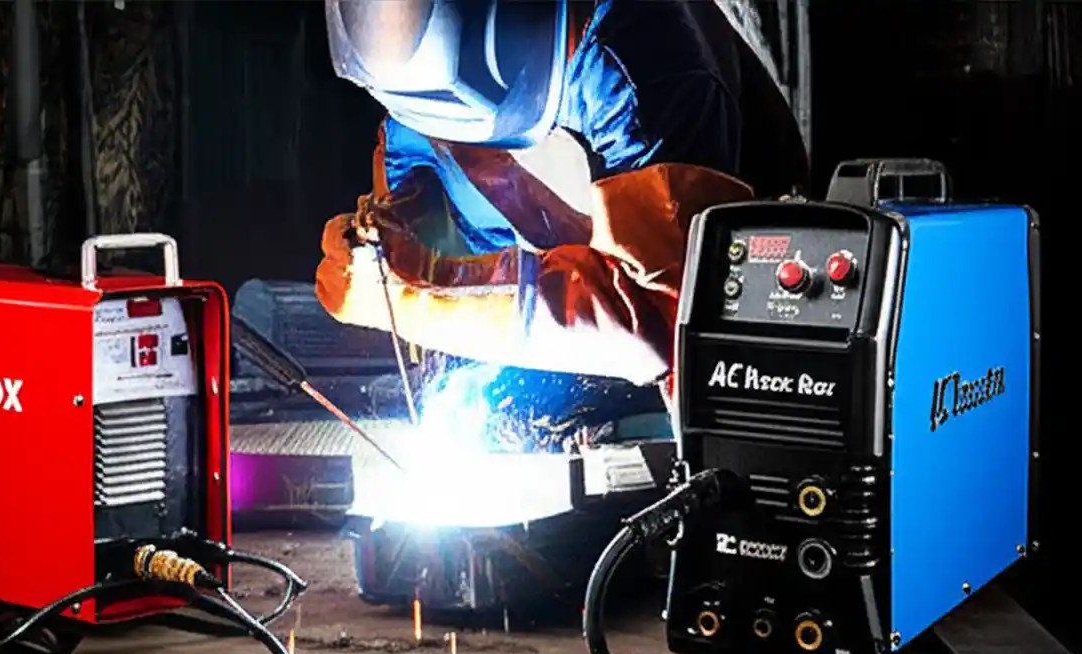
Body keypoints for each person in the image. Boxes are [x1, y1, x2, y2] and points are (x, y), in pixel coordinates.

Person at [315, 0, 808, 446]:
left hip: (741, 334)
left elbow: (664, 320)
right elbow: (412, 153)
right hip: (569, 320)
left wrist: (425, 296)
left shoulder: (642, 57)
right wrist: (389, 235)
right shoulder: (422, 81)